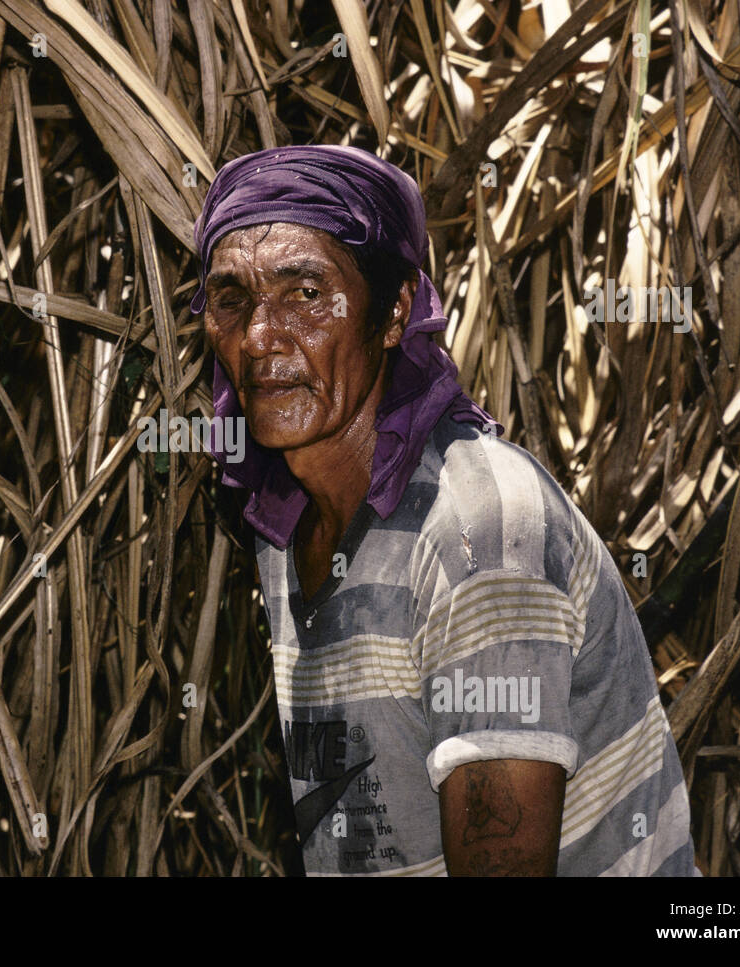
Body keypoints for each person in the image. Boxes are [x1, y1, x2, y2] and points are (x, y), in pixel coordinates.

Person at [190, 144, 700, 876]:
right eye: (231, 298)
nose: (260, 335)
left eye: (306, 292)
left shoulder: (477, 530)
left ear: (395, 311)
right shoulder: (285, 522)